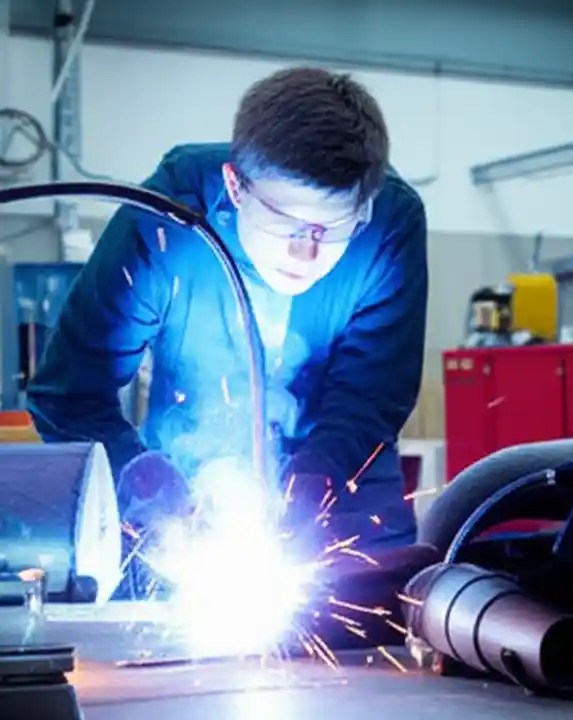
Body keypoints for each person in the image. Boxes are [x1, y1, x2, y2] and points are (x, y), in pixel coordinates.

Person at [27, 67, 429, 578]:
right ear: (234, 186)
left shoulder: (390, 225)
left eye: (329, 229)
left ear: (365, 205)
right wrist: (139, 477)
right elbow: (69, 394)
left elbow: (370, 401)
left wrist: (314, 483)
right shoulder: (166, 217)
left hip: (343, 523)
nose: (304, 252)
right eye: (283, 220)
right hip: (182, 525)